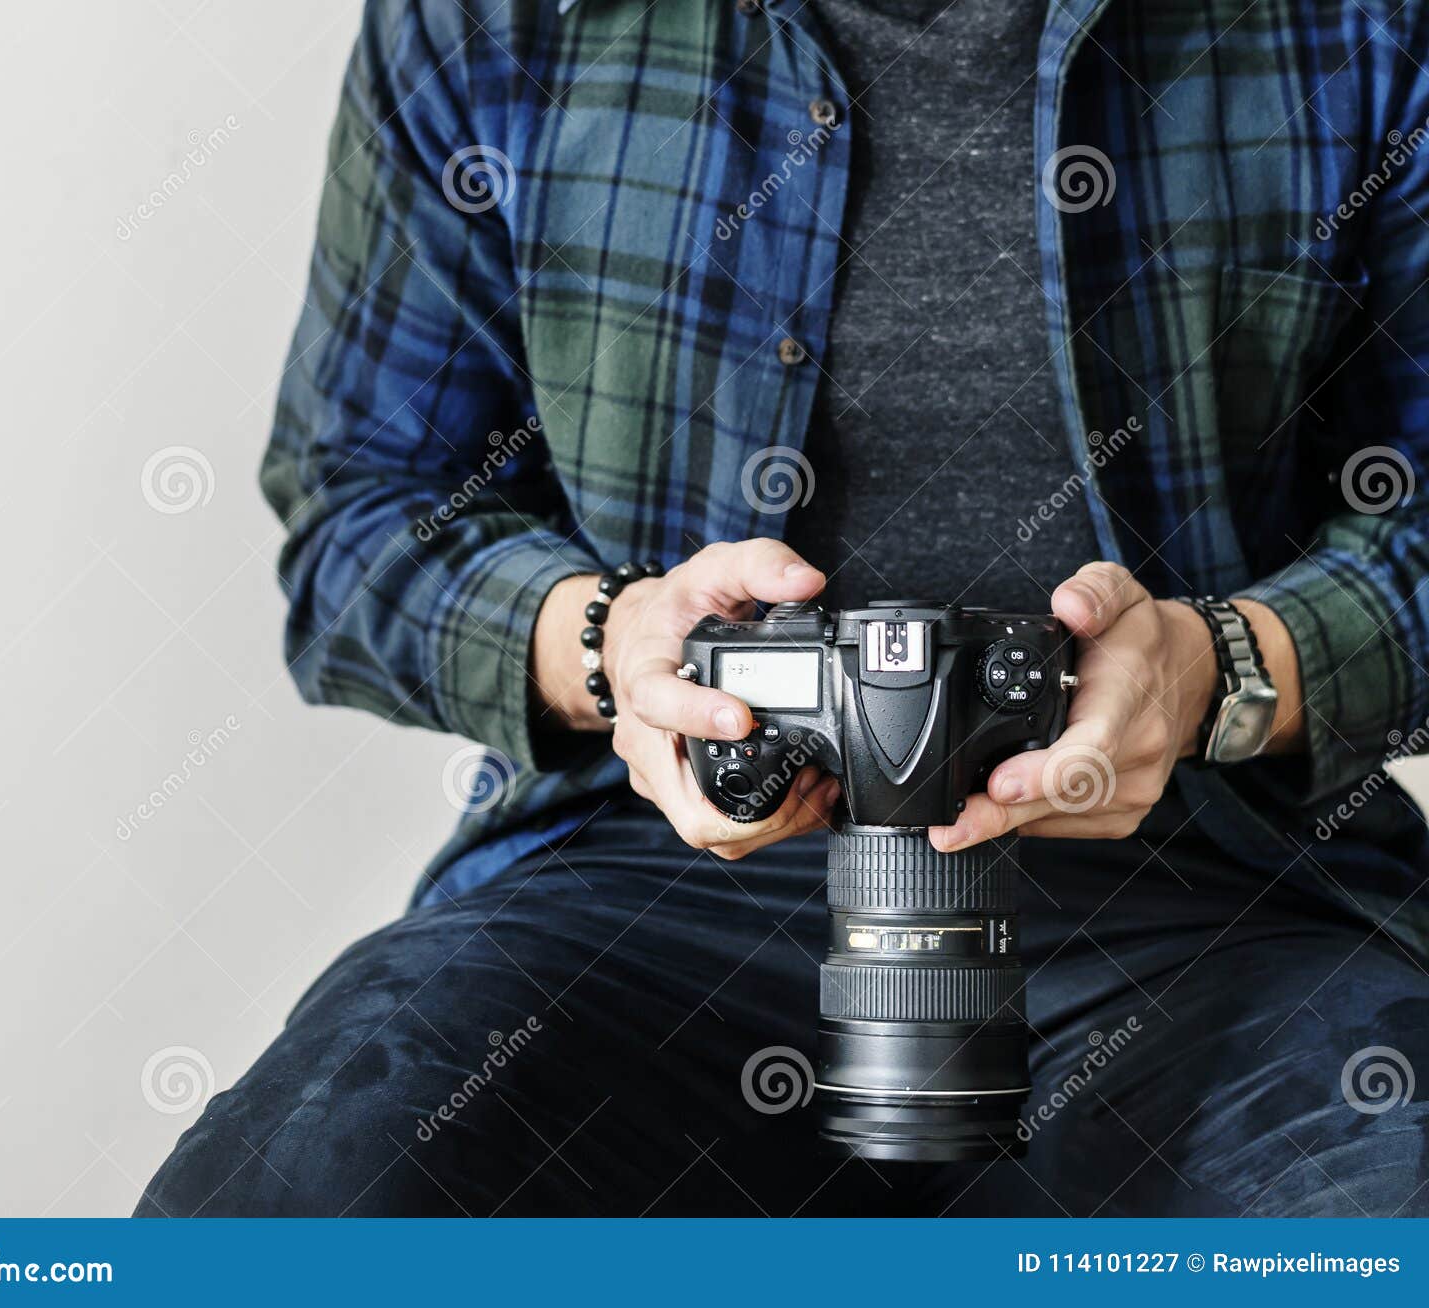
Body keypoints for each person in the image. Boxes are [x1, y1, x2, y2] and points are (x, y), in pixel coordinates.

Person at [137, 0, 1429, 1216]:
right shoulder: (496, 21)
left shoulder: (1364, 23)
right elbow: (365, 511)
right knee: (304, 1196)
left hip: (1224, 889)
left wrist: (1222, 671)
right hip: (650, 885)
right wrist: (615, 644)